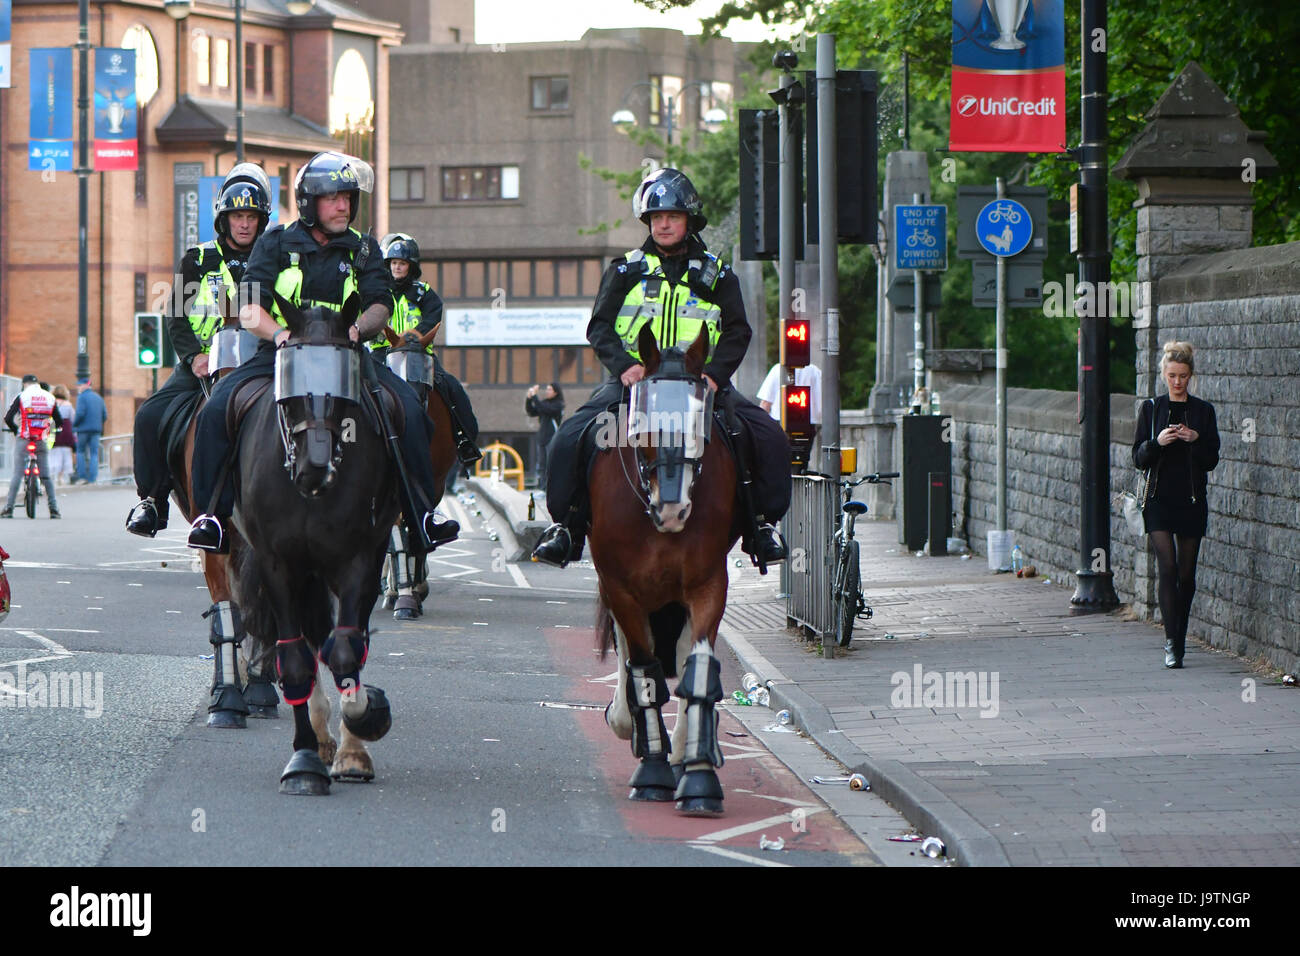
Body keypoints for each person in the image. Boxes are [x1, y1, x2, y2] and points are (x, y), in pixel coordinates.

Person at [185, 150, 458, 554]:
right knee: (215, 410)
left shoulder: (364, 249)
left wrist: (357, 329)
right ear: (311, 203)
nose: (344, 205)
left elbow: (380, 304)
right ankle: (211, 516)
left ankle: (420, 514)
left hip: (347, 354)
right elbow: (248, 308)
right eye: (334, 198)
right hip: (278, 355)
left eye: (348, 197)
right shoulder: (275, 242)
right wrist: (277, 333)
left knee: (411, 411)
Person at [532, 167, 789, 568]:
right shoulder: (624, 271)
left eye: (671, 216)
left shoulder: (717, 274)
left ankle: (762, 526)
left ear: (689, 221)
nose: (663, 224)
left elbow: (738, 331)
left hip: (701, 384)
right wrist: (625, 367)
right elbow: (599, 327)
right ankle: (566, 526)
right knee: (568, 438)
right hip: (636, 383)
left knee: (768, 437)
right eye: (656, 218)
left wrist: (715, 375)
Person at [125, 163, 272, 537]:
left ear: (261, 220)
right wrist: (194, 357)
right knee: (148, 417)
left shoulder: (273, 258)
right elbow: (175, 315)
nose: (244, 224)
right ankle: (152, 501)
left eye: (251, 216)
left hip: (262, 363)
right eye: (237, 215)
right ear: (224, 219)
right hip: (205, 364)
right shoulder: (197, 259)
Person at [1132, 340, 1219, 669]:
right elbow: (1138, 457)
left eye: (1183, 376)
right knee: (1166, 569)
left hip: (1191, 500)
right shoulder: (1152, 409)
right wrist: (1158, 442)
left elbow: (1211, 459)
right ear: (1164, 375)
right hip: (1158, 501)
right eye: (1172, 375)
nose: (1177, 381)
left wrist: (1195, 440)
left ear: (1191, 376)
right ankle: (1173, 643)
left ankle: (1179, 634)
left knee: (1186, 575)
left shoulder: (1203, 412)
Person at [374, 233, 481, 465]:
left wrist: (414, 337)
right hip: (382, 353)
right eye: (393, 263)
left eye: (402, 263)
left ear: (411, 266)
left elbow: (433, 315)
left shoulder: (423, 291)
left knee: (449, 386)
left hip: (417, 354)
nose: (397, 267)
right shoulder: (377, 291)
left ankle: (466, 441)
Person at [2, 375, 62, 518]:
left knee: (17, 474)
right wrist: (52, 429)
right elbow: (59, 421)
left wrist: (16, 430)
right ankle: (54, 509)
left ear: (25, 384)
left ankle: (8, 508)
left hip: (24, 437)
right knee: (46, 476)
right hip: (41, 438)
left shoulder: (22, 396)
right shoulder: (49, 397)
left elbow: (8, 418)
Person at [524, 383, 563, 491]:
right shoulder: (545, 403)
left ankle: (550, 489)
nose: (547, 391)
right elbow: (532, 411)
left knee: (550, 464)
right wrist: (529, 398)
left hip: (552, 438)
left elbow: (545, 409)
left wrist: (535, 396)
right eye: (547, 389)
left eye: (550, 389)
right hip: (542, 438)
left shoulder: (558, 404)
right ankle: (542, 488)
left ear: (556, 392)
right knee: (541, 465)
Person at [757, 362, 822, 427]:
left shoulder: (778, 369)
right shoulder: (814, 370)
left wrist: (761, 426)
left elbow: (765, 403)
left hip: (781, 421)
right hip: (809, 422)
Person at [71, 377, 106, 484]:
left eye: (80, 385)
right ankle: (93, 478)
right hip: (96, 429)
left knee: (80, 451)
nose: (78, 388)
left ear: (86, 385)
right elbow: (104, 415)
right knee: (94, 453)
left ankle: (82, 477)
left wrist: (75, 424)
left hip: (83, 429)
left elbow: (80, 413)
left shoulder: (82, 397)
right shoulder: (99, 398)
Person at [50, 385, 77, 485]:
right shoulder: (68, 405)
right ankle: (60, 477)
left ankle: (53, 475)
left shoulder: (51, 403)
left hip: (54, 430)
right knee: (65, 454)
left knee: (54, 453)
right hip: (66, 432)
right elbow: (73, 419)